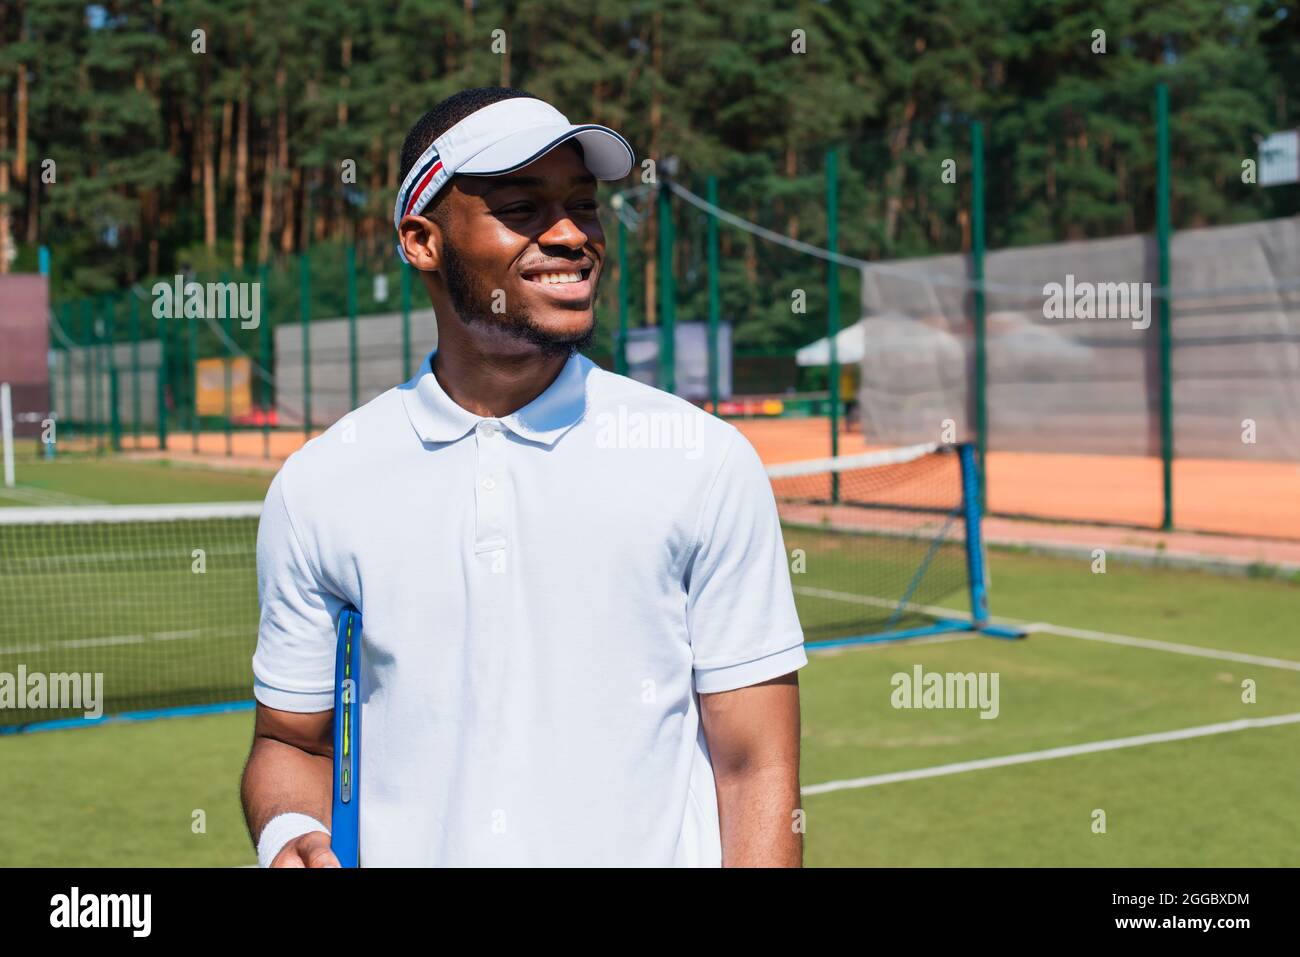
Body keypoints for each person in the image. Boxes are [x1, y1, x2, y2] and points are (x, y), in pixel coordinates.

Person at [241, 87, 806, 867]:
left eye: (584, 205)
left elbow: (757, 767)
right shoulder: (317, 488)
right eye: (522, 208)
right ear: (422, 240)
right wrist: (286, 833)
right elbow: (287, 739)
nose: (572, 234)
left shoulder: (702, 461)